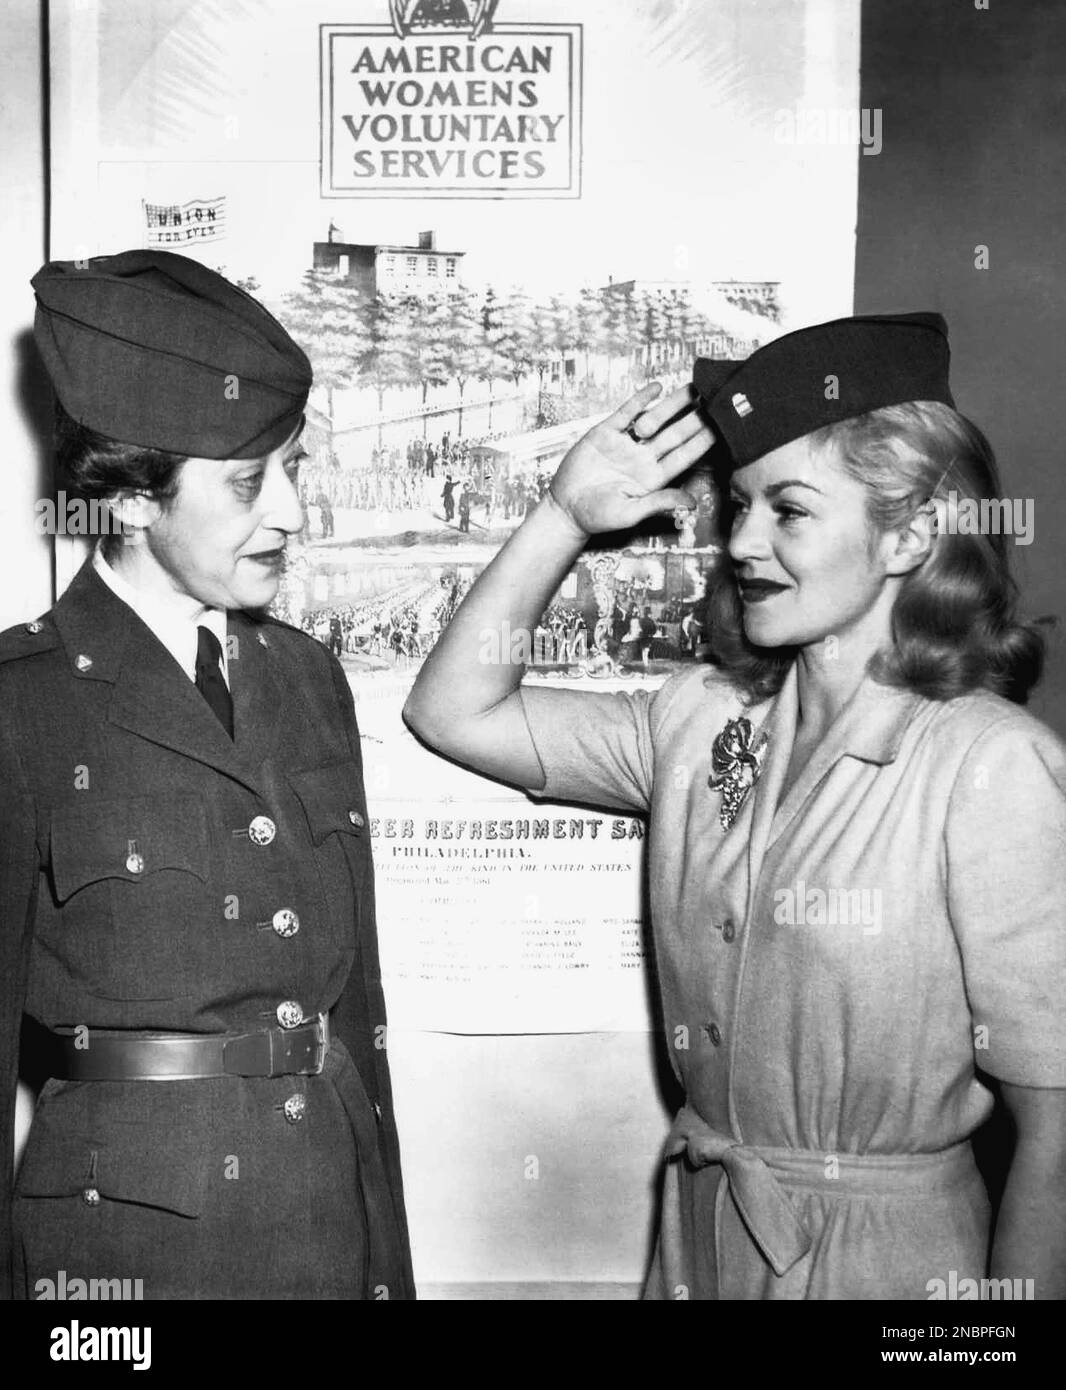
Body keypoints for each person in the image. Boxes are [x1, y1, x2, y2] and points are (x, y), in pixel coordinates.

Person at [403, 312, 1066, 1300]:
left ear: (912, 533)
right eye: (742, 505)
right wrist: (563, 515)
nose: (741, 543)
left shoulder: (990, 765)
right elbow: (453, 707)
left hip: (893, 1271)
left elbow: (1056, 1129)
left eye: (789, 510)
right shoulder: (701, 720)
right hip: (705, 1243)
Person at [2, 249, 413, 1300]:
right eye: (246, 482)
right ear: (133, 499)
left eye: (293, 469)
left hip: (326, 1218)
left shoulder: (308, 677)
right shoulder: (23, 702)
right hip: (126, 1261)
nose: (290, 513)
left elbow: (355, 1018)